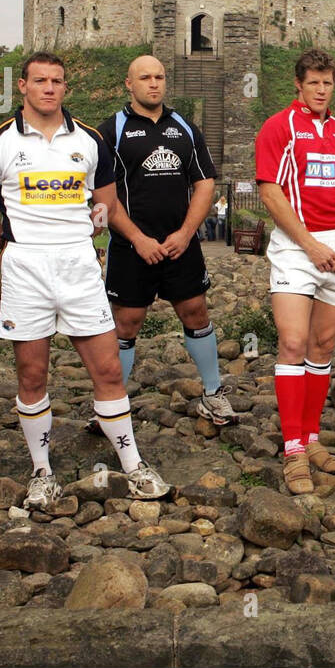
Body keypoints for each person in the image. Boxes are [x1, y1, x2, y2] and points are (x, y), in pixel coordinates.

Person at [0, 51, 169, 511]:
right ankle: (42, 472)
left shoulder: (91, 140)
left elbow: (107, 205)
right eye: (40, 81)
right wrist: (17, 244)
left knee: (109, 369)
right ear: (23, 86)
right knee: (33, 374)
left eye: (57, 81)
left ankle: (133, 465)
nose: (49, 88)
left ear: (65, 87)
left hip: (79, 268)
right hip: (26, 272)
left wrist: (90, 224)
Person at [96, 55, 237, 427]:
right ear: (129, 84)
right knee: (127, 322)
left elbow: (205, 182)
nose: (153, 84)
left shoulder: (184, 128)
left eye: (159, 77)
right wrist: (138, 238)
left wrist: (186, 233)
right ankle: (111, 405)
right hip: (131, 247)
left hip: (181, 245)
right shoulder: (111, 130)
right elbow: (103, 195)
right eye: (145, 77)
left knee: (196, 313)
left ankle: (212, 393)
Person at [255, 48, 335, 495]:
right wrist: (310, 244)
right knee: (293, 342)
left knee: (322, 346)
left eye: (328, 83)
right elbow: (269, 192)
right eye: (314, 82)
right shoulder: (280, 127)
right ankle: (293, 450)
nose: (321, 90)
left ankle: (313, 438)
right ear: (298, 85)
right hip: (297, 246)